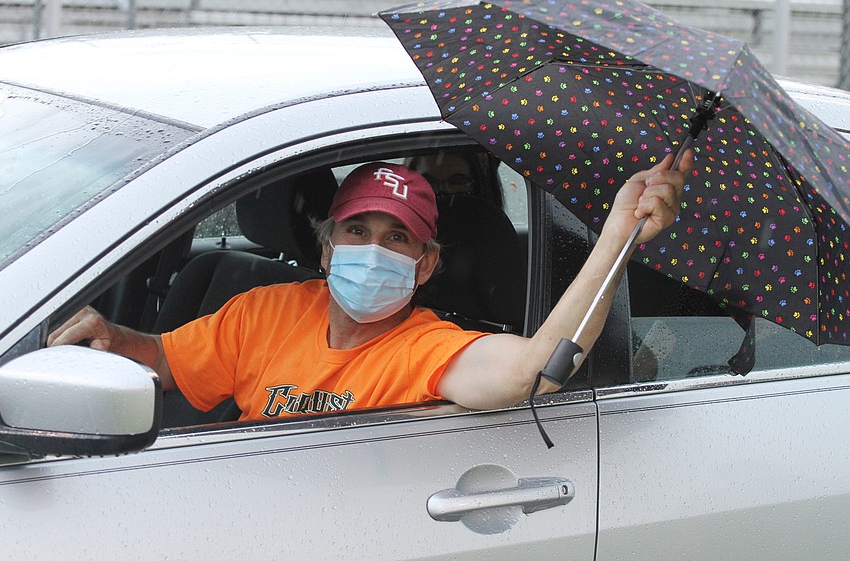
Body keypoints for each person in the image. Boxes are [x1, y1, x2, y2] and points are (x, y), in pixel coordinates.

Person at [48, 154, 691, 420]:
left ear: (426, 265)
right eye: (357, 231)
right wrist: (113, 337)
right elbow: (165, 361)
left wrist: (617, 236)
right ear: (327, 247)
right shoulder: (264, 310)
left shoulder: (425, 349)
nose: (373, 251)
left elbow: (533, 373)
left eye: (398, 238)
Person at [405, 150, 504, 208]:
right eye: (429, 182)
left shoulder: (495, 233)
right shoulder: (401, 232)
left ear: (479, 186)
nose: (442, 191)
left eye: (457, 182)